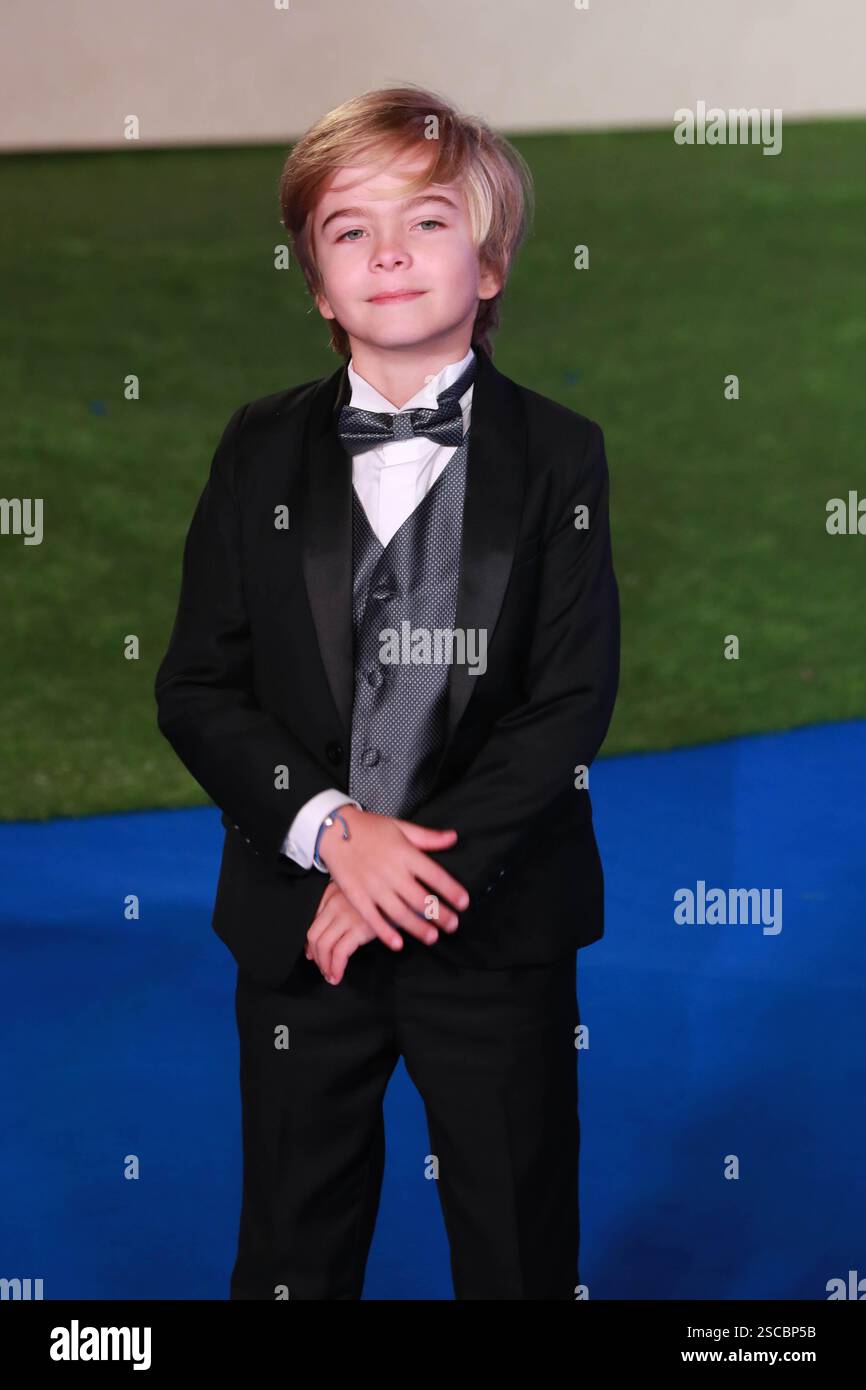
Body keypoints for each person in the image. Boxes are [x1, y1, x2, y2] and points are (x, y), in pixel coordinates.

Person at [154, 82, 620, 1300]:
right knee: (291, 1247)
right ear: (316, 282)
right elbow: (199, 686)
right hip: (299, 928)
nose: (390, 253)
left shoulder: (561, 453)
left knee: (514, 1241)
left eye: (426, 221)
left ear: (493, 259)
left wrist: (411, 873)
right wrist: (334, 834)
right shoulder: (256, 446)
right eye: (349, 230)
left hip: (495, 925)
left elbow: (564, 703)